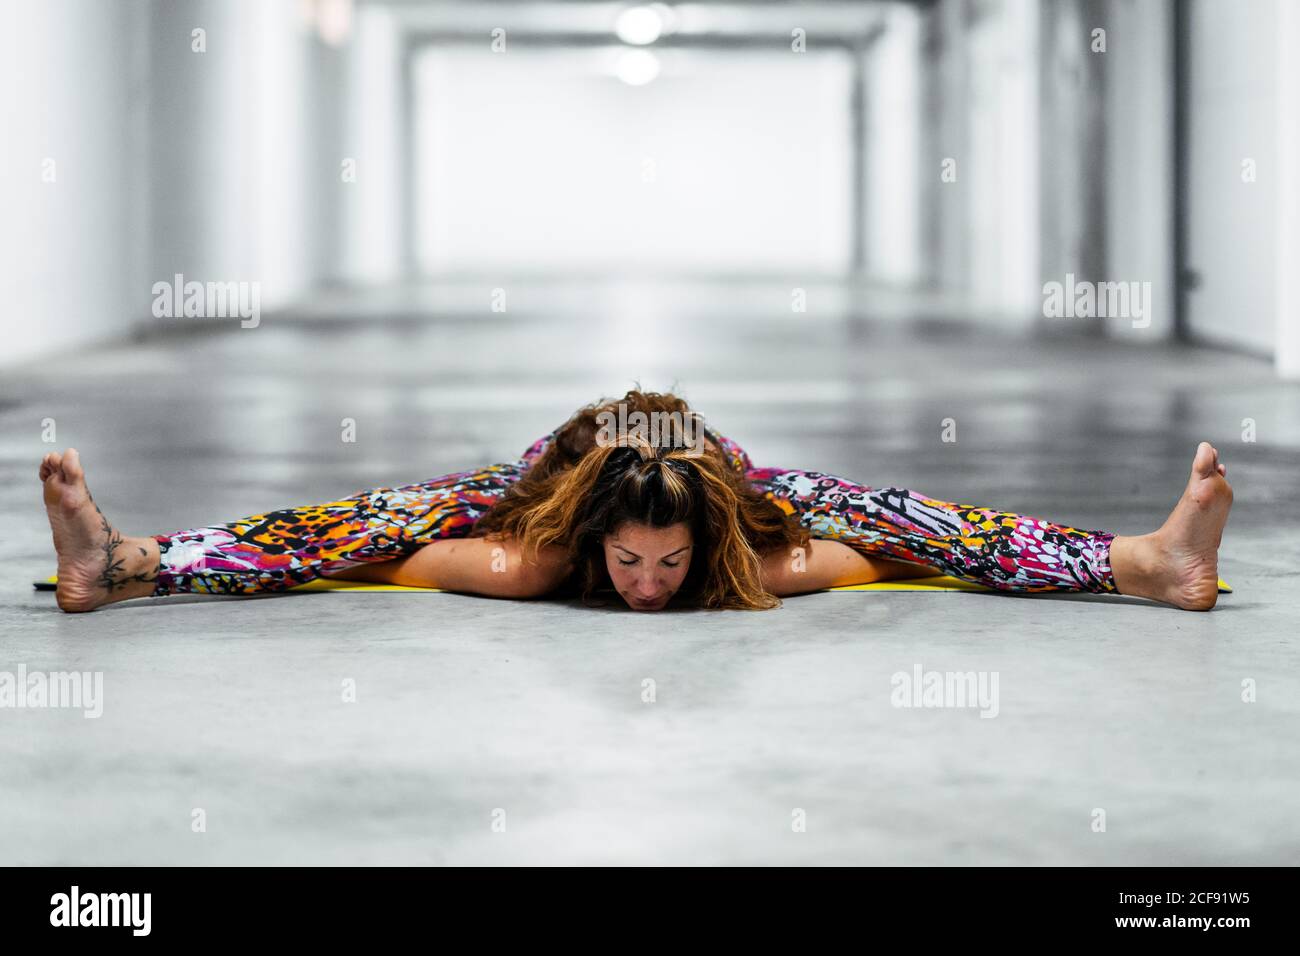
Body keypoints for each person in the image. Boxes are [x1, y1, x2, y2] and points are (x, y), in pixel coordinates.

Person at [38, 389, 1233, 614]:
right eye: (632, 568)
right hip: (561, 464)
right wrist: (159, 561)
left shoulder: (756, 545)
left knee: (895, 510)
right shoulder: (535, 543)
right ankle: (121, 558)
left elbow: (915, 552)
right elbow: (368, 555)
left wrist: (877, 550)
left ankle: (1146, 560)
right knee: (380, 510)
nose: (650, 590)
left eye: (665, 568)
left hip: (725, 467)